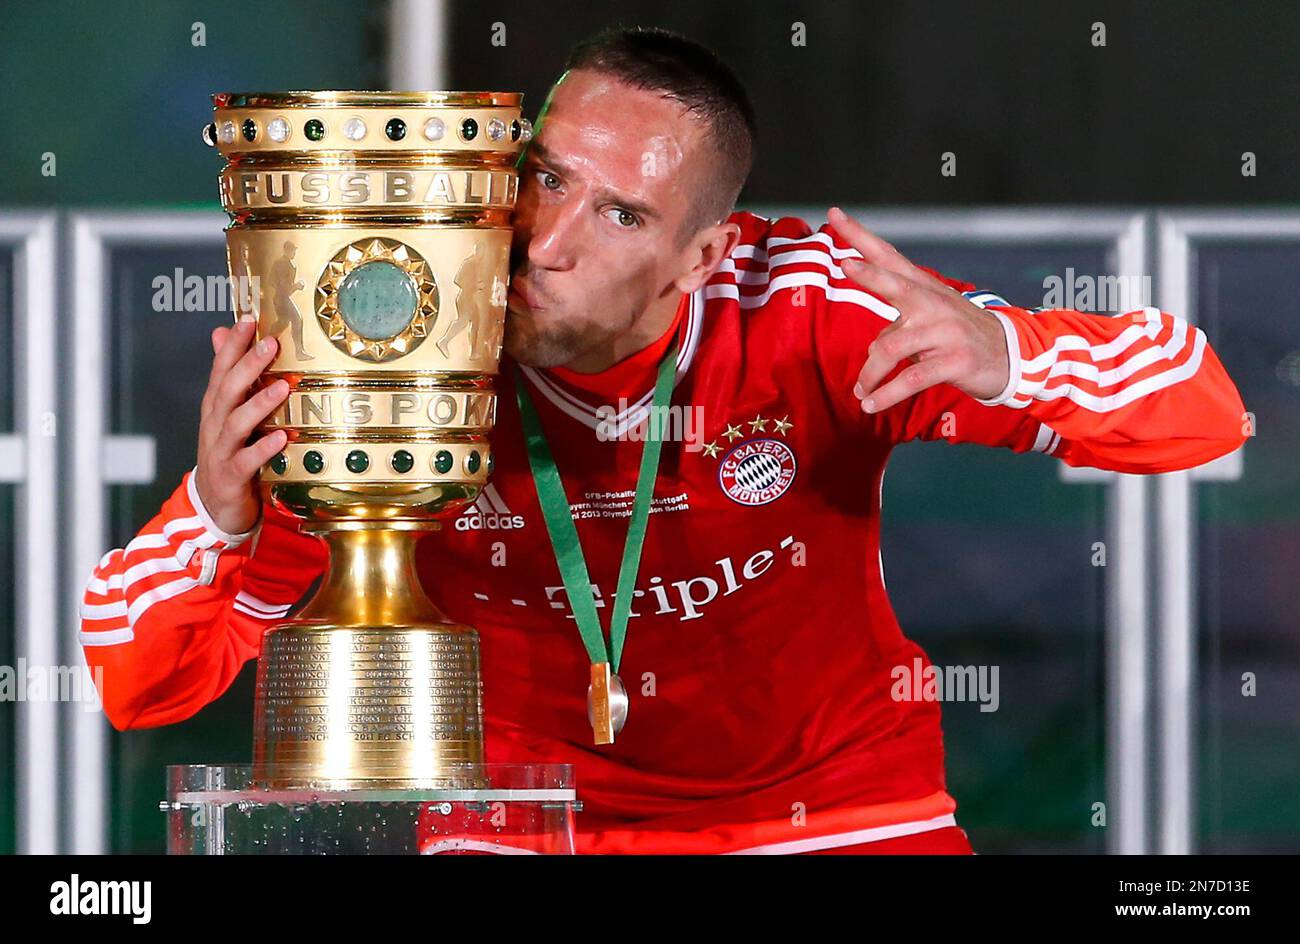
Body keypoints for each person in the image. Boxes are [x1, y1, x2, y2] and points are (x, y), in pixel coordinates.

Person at [80, 27, 1248, 854]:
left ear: (701, 255)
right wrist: (217, 511)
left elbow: (1205, 405)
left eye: (621, 212)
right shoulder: (407, 343)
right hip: (524, 825)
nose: (546, 240)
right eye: (542, 176)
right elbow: (138, 679)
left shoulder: (809, 308)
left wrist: (1011, 356)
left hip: (833, 813)